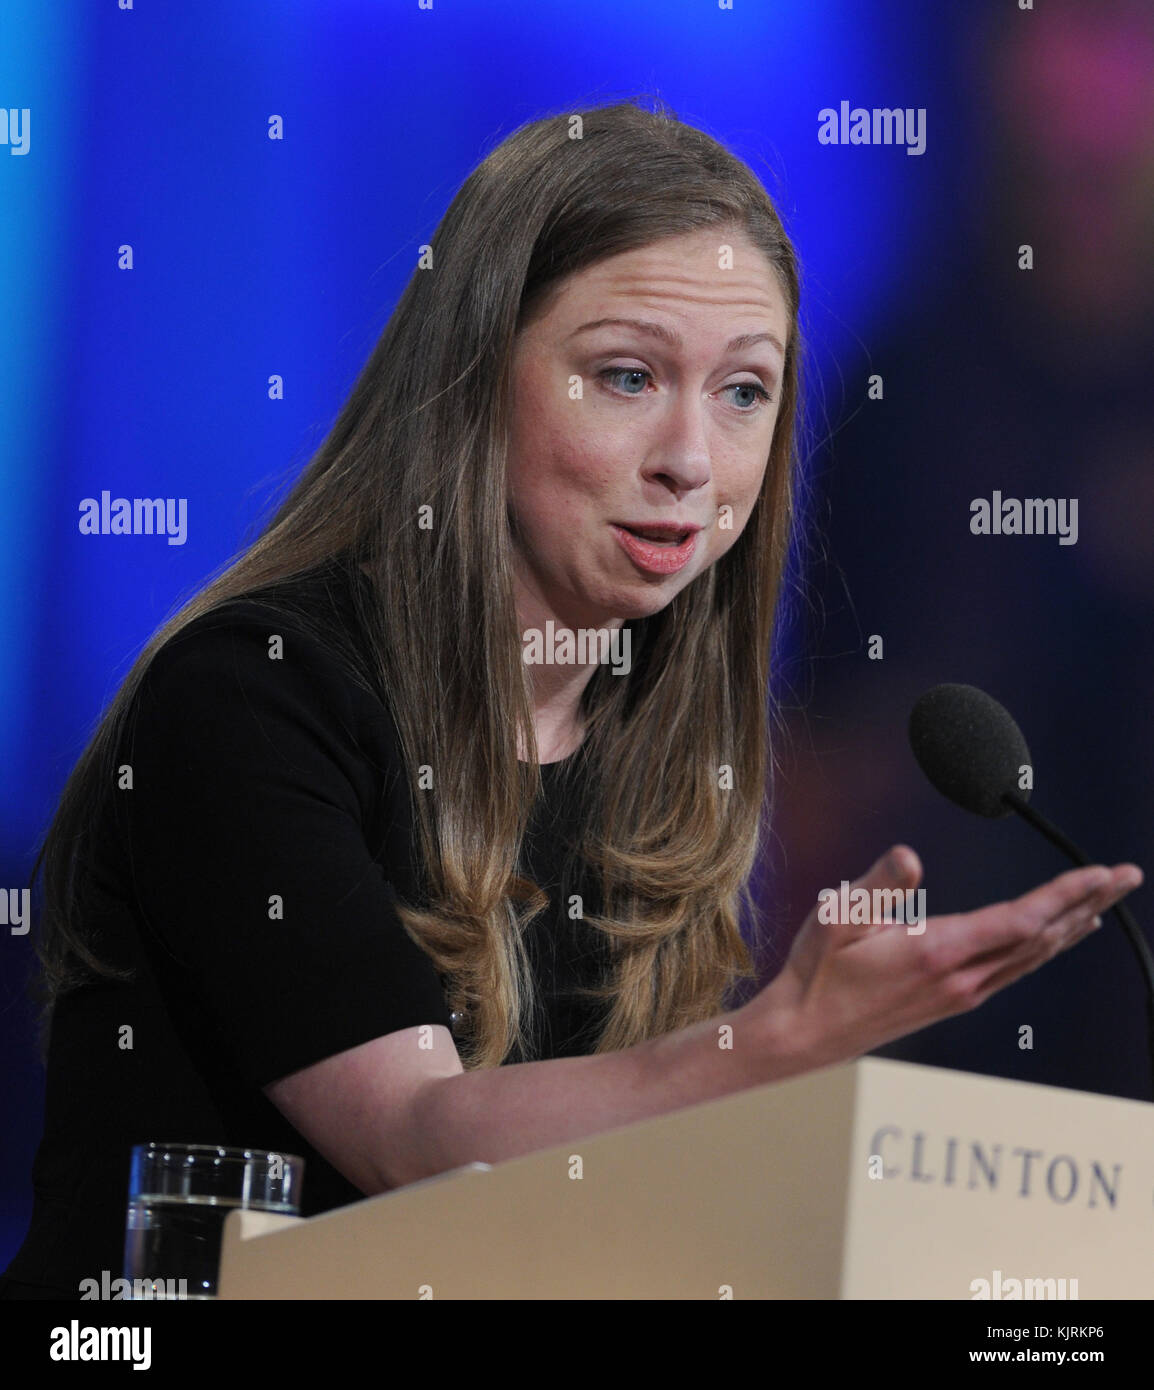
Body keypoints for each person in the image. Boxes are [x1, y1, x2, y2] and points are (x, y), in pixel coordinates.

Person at [0, 99, 1140, 1300]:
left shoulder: (653, 736)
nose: (690, 459)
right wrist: (772, 1046)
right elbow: (416, 1142)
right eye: (627, 375)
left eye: (744, 392)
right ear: (473, 381)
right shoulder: (248, 698)